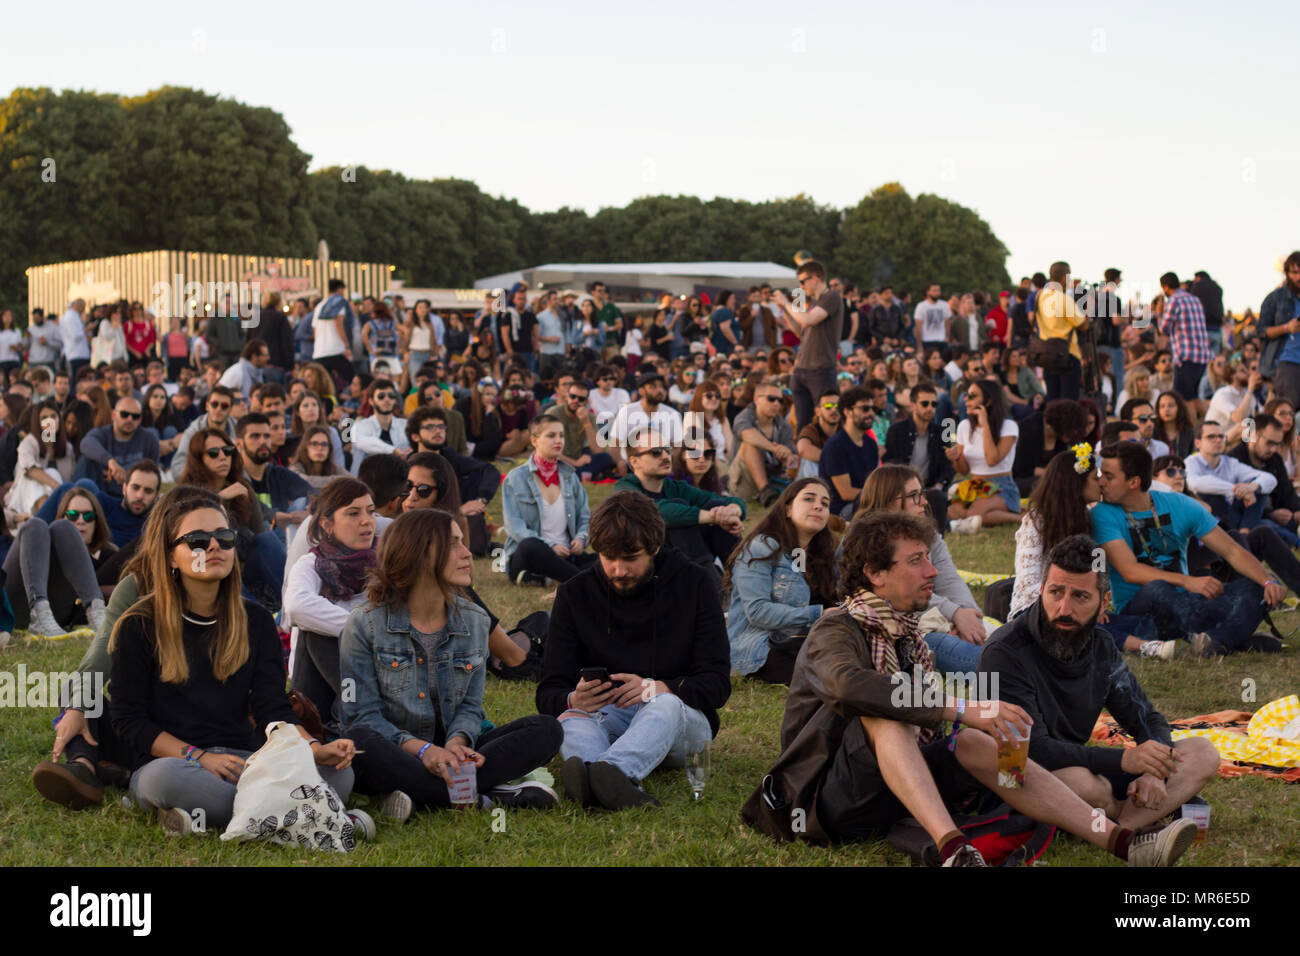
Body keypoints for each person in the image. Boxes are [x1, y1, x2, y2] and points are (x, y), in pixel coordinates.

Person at [742, 511, 1198, 864]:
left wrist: (1151, 763)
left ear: (1101, 602)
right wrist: (959, 707)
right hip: (826, 799)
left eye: (928, 558)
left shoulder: (905, 633)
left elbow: (1143, 716)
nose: (932, 572)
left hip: (892, 791)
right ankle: (955, 852)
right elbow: (849, 686)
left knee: (981, 743)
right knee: (888, 710)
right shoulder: (836, 628)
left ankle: (1124, 842)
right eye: (916, 560)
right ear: (875, 573)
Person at [107, 491, 361, 837]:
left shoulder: (255, 620)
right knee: (161, 781)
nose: (214, 547)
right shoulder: (139, 624)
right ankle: (305, 813)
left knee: (341, 775)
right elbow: (129, 722)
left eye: (224, 538)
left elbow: (273, 706)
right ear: (171, 556)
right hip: (178, 763)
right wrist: (199, 758)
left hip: (248, 760)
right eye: (197, 540)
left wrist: (315, 750)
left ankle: (235, 815)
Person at [979, 535, 1220, 829]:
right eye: (1056, 592)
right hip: (1019, 776)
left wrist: (1154, 771)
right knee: (1084, 785)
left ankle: (1122, 827)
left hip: (1083, 768)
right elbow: (1031, 750)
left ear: (1103, 602)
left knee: (1202, 752)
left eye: (1080, 596)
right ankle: (1136, 820)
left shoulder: (1101, 646)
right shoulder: (1004, 651)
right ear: (1041, 590)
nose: (1064, 608)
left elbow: (1145, 718)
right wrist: (1125, 762)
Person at [341, 508, 562, 813]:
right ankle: (486, 798)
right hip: (397, 750)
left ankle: (424, 795)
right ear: (417, 553)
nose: (467, 553)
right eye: (453, 543)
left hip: (451, 747)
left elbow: (471, 707)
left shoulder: (474, 620)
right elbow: (361, 716)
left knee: (547, 729)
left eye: (463, 542)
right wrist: (424, 752)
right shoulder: (364, 624)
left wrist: (457, 744)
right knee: (359, 741)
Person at [537, 491, 730, 810]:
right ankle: (597, 777)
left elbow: (717, 685)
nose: (618, 570)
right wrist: (574, 698)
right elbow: (548, 691)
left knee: (664, 704)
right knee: (570, 718)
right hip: (606, 717)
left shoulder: (695, 583)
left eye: (630, 559)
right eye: (608, 557)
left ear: (654, 547)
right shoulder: (575, 594)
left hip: (680, 724)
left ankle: (610, 773)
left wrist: (661, 687)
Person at [1091, 441, 1284, 656]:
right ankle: (1233, 637)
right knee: (1158, 587)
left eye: (1108, 477)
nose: (1100, 482)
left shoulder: (1179, 504)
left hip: (1189, 603)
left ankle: (1217, 641)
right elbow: (1130, 571)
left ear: (1133, 482)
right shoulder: (1102, 513)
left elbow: (1232, 551)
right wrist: (1188, 581)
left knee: (1258, 586)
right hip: (1142, 612)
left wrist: (1267, 580)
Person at [857, 465, 985, 672]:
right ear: (889, 502)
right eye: (914, 496)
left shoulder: (927, 534)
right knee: (989, 664)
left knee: (1002, 642)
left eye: (922, 493)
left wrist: (969, 617)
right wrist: (955, 614)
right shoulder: (865, 541)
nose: (924, 502)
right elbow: (900, 593)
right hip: (905, 629)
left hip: (940, 619)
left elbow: (949, 579)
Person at [285, 478, 377, 736]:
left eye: (370, 512)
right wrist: (369, 632)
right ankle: (355, 717)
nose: (366, 521)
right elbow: (296, 606)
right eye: (353, 513)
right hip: (319, 687)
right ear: (327, 524)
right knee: (314, 629)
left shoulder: (386, 560)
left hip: (376, 670)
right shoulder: (311, 564)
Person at [725, 478, 834, 684]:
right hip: (759, 648)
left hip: (805, 642)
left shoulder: (823, 557)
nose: (818, 506)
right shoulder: (761, 547)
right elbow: (757, 611)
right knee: (825, 676)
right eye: (809, 499)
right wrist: (819, 614)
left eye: (825, 503)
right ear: (787, 510)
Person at [615, 428, 744, 581]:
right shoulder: (625, 488)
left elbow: (730, 501)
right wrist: (713, 516)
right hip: (647, 570)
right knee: (679, 512)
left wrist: (731, 511)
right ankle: (714, 588)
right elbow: (656, 512)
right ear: (634, 462)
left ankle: (743, 580)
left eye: (667, 449)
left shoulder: (675, 487)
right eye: (656, 451)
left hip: (683, 563)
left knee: (715, 504)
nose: (665, 456)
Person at [6, 487, 112, 639]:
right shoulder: (39, 542)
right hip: (19, 603)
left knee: (62, 526)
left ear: (97, 521)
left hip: (60, 611)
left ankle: (97, 614)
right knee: (35, 525)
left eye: (88, 516)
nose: (81, 521)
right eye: (73, 515)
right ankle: (39, 612)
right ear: (63, 514)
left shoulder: (109, 554)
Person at [500, 415, 595, 586]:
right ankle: (584, 581)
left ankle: (554, 578)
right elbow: (515, 527)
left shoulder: (570, 476)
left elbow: (585, 516)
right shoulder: (515, 478)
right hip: (529, 557)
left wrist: (581, 539)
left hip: (568, 555)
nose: (558, 440)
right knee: (531, 545)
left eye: (561, 435)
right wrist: (550, 546)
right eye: (551, 436)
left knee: (605, 559)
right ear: (534, 440)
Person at [771, 260, 843, 432]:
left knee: (828, 422)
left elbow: (808, 319)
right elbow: (799, 331)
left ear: (816, 278)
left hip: (821, 369)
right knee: (804, 425)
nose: (801, 286)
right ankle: (805, 458)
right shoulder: (812, 303)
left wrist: (787, 302)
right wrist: (784, 309)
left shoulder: (831, 297)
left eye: (803, 281)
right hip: (801, 370)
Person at [946, 378, 1021, 530]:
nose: (966, 399)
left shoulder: (1008, 426)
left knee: (975, 512)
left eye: (972, 396)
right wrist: (956, 458)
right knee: (951, 510)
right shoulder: (964, 426)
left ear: (988, 402)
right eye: (967, 395)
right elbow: (964, 470)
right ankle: (976, 519)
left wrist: (985, 425)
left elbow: (992, 460)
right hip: (974, 484)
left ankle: (1021, 518)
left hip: (1002, 486)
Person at [1185, 419, 1274, 532]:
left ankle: (1245, 532)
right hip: (1211, 517)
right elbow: (1195, 483)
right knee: (1212, 495)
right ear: (1198, 443)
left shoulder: (1230, 462)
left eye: (1221, 436)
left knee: (1260, 489)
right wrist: (1235, 490)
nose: (1218, 440)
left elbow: (1270, 479)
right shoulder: (1190, 462)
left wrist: (1250, 487)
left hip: (1235, 514)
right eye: (1211, 437)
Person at [236, 412, 315, 539]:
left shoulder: (277, 473)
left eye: (266, 436)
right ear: (239, 444)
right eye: (255, 436)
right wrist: (273, 515)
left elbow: (313, 494)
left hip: (283, 538)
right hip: (250, 542)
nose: (263, 441)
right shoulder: (234, 477)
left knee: (302, 502)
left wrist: (308, 511)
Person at [728, 378, 797, 506]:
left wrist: (786, 457)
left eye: (780, 400)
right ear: (756, 399)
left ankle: (769, 492)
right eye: (771, 399)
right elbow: (747, 434)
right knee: (749, 443)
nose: (776, 404)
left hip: (773, 477)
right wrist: (774, 448)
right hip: (743, 478)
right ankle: (765, 491)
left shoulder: (784, 427)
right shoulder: (744, 416)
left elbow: (790, 461)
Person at [4, 403, 74, 526]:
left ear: (59, 419)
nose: (49, 421)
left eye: (53, 416)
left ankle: (47, 520)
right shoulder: (28, 443)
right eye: (44, 418)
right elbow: (30, 469)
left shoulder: (67, 448)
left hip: (59, 500)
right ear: (37, 422)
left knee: (54, 474)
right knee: (46, 474)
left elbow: (70, 478)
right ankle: (45, 519)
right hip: (23, 498)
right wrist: (57, 486)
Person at [77, 395, 161, 496]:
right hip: (103, 495)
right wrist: (111, 462)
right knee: (85, 461)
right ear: (113, 415)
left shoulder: (149, 439)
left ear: (140, 419)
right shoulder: (103, 433)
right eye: (124, 414)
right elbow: (86, 444)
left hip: (135, 497)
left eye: (135, 416)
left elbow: (154, 475)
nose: (130, 419)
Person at [606, 370, 684, 475]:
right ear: (641, 391)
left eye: (661, 387)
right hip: (633, 467)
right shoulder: (627, 412)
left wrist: (671, 468)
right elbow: (614, 445)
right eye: (653, 387)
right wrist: (620, 463)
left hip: (662, 465)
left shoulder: (672, 414)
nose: (659, 390)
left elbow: (677, 448)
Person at [819, 385, 879, 518]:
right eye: (865, 409)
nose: (871, 413)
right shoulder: (835, 446)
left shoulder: (871, 443)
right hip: (841, 510)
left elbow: (873, 482)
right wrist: (881, 496)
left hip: (867, 502)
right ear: (847, 412)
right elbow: (845, 492)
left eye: (872, 408)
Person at [1036, 261, 1089, 401]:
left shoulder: (1040, 296)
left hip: (1047, 354)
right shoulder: (1064, 299)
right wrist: (1087, 307)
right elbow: (1083, 326)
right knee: (1069, 401)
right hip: (1067, 354)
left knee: (1052, 399)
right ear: (1065, 278)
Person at [1158, 272, 1212, 401]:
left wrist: (1160, 313)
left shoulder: (1174, 300)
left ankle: (1199, 420)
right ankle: (1209, 418)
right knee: (1193, 398)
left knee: (1182, 399)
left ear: (1165, 287)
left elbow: (1163, 329)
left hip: (1185, 356)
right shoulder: (1194, 299)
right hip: (1202, 355)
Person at [1257, 251, 1300, 406]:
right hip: (1287, 363)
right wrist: (1286, 328)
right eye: (1295, 272)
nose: (1298, 277)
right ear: (1287, 273)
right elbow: (1261, 331)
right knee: (1289, 412)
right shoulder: (1276, 298)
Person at [170, 386, 238, 482]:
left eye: (224, 406)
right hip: (201, 484)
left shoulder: (239, 431)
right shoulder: (193, 432)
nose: (218, 409)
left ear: (230, 409)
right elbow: (178, 467)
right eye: (214, 404)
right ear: (207, 406)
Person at [554, 378, 615, 478]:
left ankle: (579, 474)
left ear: (586, 402)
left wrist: (586, 423)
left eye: (581, 399)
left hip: (580, 460)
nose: (575, 401)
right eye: (572, 397)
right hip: (559, 459)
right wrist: (575, 463)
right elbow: (547, 450)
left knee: (606, 458)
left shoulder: (589, 417)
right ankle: (583, 474)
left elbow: (598, 450)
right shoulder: (554, 414)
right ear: (566, 396)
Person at [351, 378, 409, 475]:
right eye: (381, 396)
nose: (387, 400)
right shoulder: (360, 425)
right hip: (365, 483)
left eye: (391, 396)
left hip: (397, 482)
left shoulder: (405, 425)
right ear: (371, 401)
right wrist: (394, 451)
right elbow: (364, 442)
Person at [312, 278, 357, 387]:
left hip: (320, 351)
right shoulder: (339, 302)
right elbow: (339, 323)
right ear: (340, 289)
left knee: (324, 385)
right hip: (336, 350)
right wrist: (346, 346)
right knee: (352, 380)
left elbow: (314, 328)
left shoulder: (320, 305)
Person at [1207, 356, 1261, 445]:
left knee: (1258, 426)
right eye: (1242, 371)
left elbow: (1261, 415)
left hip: (1233, 440)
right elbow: (1238, 417)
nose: (1248, 374)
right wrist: (1250, 388)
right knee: (1245, 425)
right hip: (1215, 439)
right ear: (1232, 375)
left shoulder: (1246, 394)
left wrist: (1271, 390)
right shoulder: (1222, 394)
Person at [796, 388, 841, 478]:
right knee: (809, 460)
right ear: (817, 411)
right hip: (809, 481)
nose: (834, 409)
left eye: (837, 405)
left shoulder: (845, 430)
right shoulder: (811, 429)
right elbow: (803, 448)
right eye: (828, 406)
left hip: (837, 478)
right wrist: (834, 460)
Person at [291, 424, 346, 489]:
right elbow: (301, 480)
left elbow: (352, 480)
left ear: (329, 449)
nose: (320, 448)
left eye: (324, 444)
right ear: (305, 447)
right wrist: (338, 480)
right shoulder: (296, 467)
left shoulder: (334, 468)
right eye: (314, 443)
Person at [1154, 390, 1196, 460]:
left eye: (1171, 406)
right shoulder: (1154, 431)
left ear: (1179, 408)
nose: (1166, 409)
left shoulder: (1187, 431)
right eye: (1162, 406)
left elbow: (1190, 456)